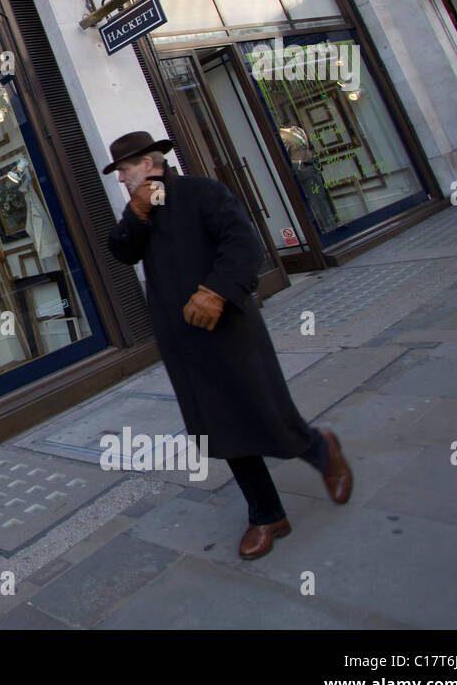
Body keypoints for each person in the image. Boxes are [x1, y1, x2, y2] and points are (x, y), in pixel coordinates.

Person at [104, 131, 352, 559]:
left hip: (229, 330)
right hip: (183, 341)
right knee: (220, 428)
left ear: (148, 163)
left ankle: (321, 449)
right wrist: (138, 215)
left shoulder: (203, 192)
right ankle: (267, 514)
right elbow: (120, 252)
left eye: (125, 171)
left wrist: (216, 291)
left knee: (261, 410)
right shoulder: (140, 212)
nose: (122, 180)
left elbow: (243, 245)